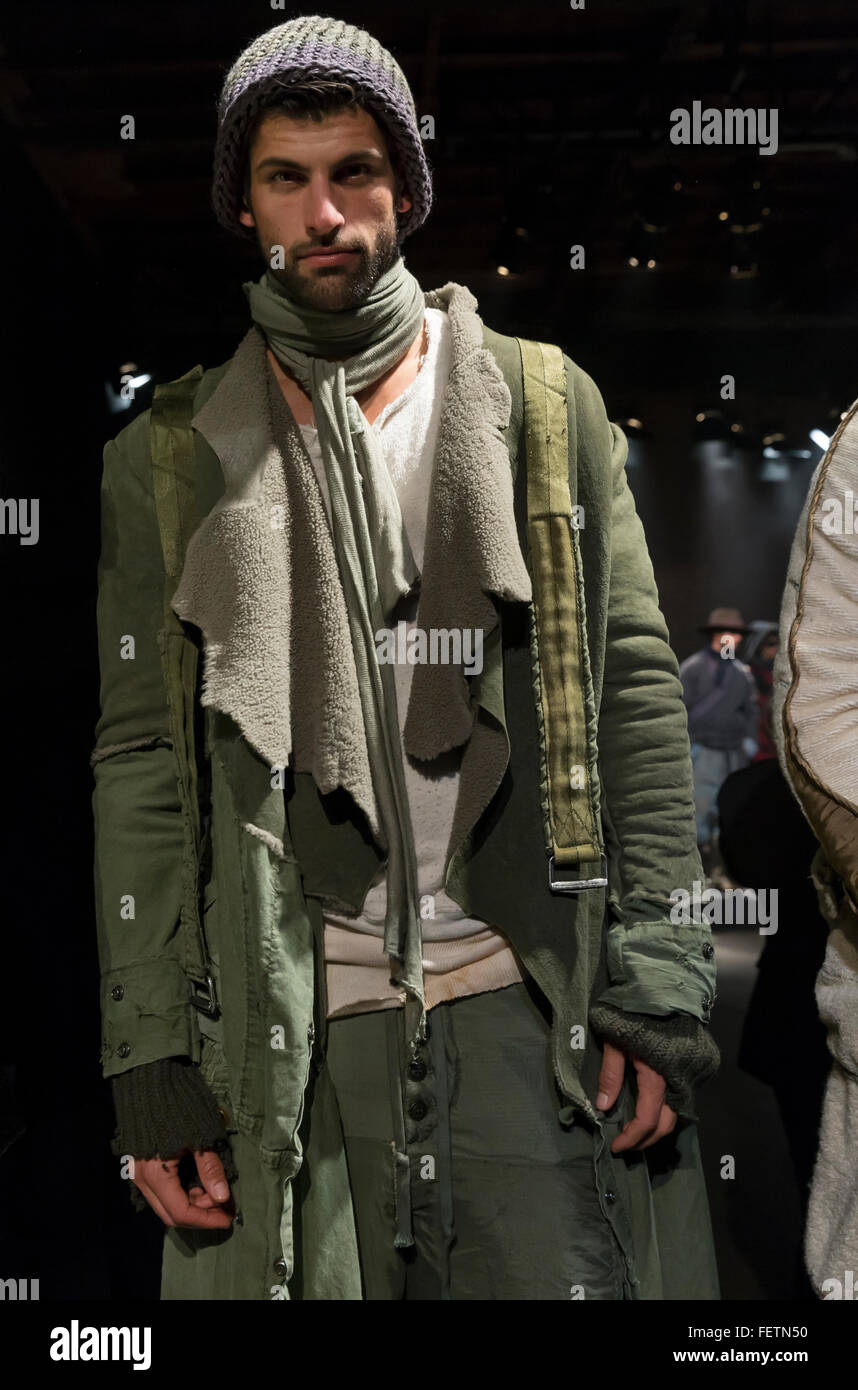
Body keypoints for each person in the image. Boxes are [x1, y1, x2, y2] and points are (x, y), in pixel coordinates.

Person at [91, 14, 720, 1301]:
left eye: (356, 172)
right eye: (286, 177)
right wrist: (150, 1051)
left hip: (528, 993)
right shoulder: (167, 456)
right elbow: (142, 756)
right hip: (288, 1013)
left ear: (404, 188)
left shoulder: (544, 402)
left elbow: (638, 693)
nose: (327, 213)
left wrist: (658, 980)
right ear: (244, 204)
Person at [679, 606, 759, 874]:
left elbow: (751, 710)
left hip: (733, 751)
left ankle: (726, 869)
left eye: (737, 634)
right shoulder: (693, 668)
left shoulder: (741, 673)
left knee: (730, 811)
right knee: (700, 811)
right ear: (716, 635)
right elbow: (679, 709)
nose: (734, 639)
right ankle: (699, 870)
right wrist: (687, 745)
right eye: (729, 633)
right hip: (703, 751)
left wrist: (749, 739)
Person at [741, 620, 779, 762]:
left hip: (773, 745)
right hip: (750, 744)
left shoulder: (779, 675)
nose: (776, 648)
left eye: (778, 643)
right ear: (757, 645)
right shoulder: (744, 675)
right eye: (770, 644)